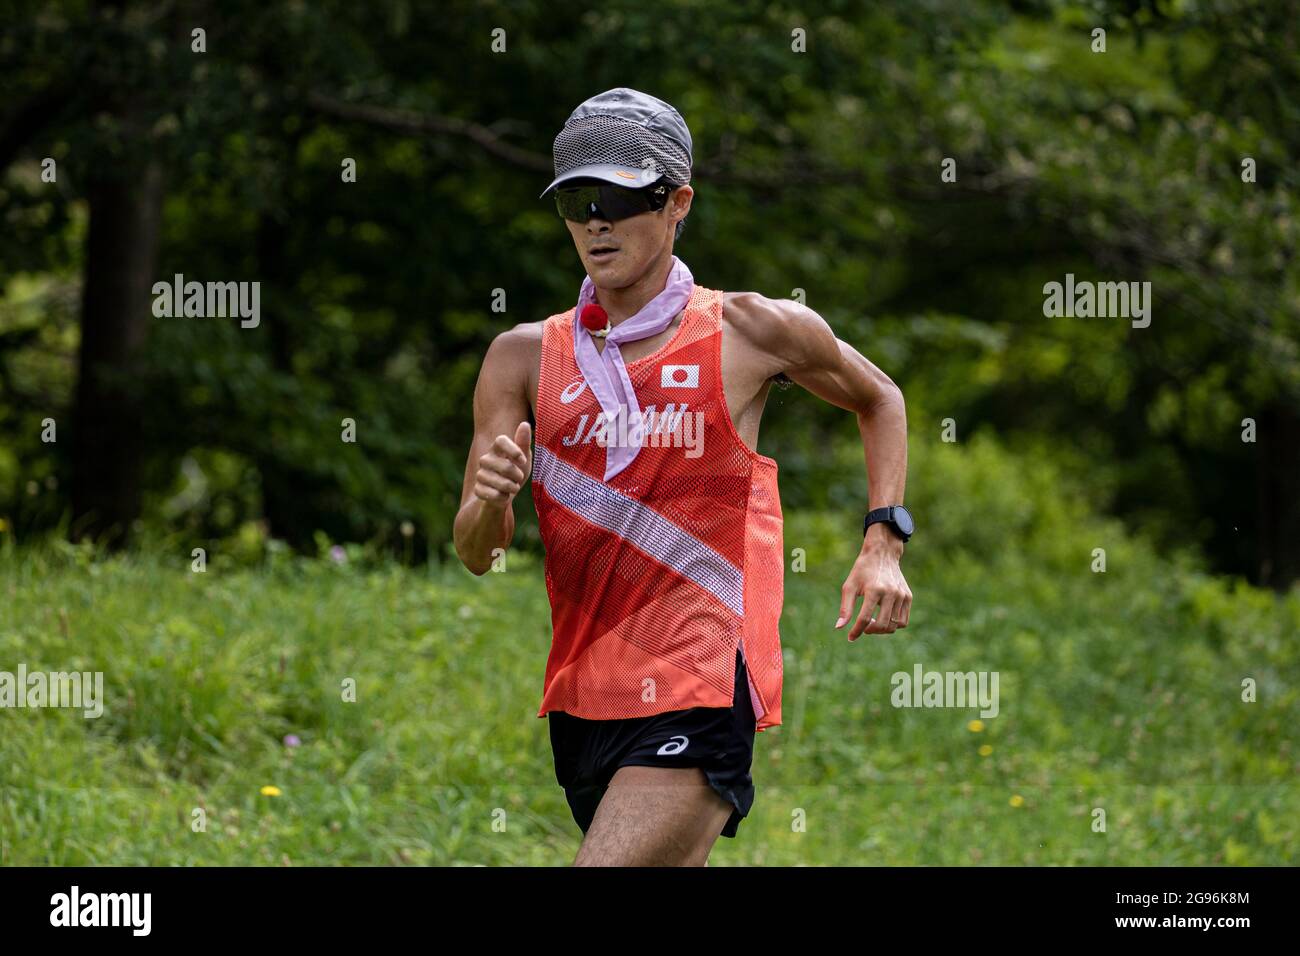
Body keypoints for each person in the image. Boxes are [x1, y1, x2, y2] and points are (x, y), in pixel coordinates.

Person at [453, 87, 913, 866]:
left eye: (622, 197)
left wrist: (883, 541)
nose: (596, 220)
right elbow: (476, 550)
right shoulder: (522, 357)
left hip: (701, 680)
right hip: (584, 693)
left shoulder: (750, 330)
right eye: (576, 199)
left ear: (678, 202)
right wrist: (490, 498)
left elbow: (880, 398)